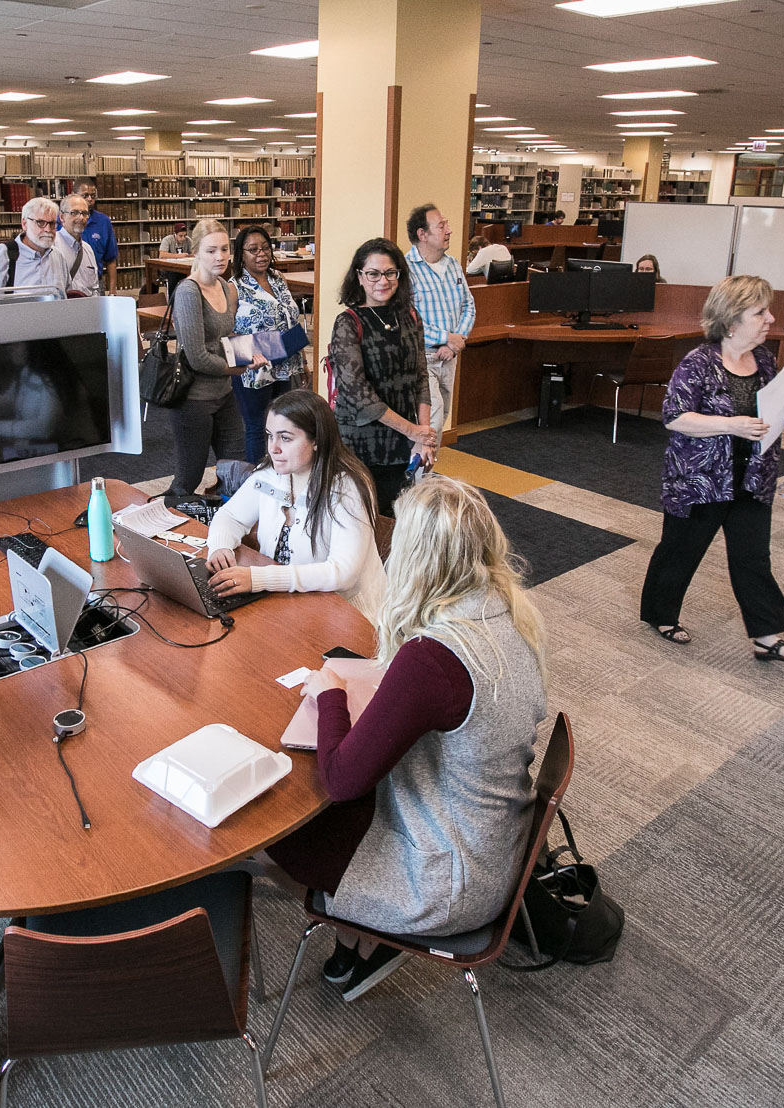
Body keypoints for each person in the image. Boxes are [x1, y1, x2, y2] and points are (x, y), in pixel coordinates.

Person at [265, 476, 548, 1000]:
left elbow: (342, 779)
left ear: (418, 556)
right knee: (343, 785)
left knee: (273, 828)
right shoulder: (508, 613)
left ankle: (366, 929)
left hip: (447, 881)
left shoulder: (433, 657)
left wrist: (330, 694)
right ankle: (359, 942)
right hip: (493, 844)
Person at [639, 274, 784, 662]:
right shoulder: (697, 363)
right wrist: (730, 425)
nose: (770, 319)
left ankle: (766, 637)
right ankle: (660, 615)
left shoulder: (764, 360)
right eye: (760, 312)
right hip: (700, 480)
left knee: (753, 557)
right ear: (732, 320)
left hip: (752, 478)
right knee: (680, 552)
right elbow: (674, 417)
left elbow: (768, 407)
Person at [205, 389, 386, 618]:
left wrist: (259, 578)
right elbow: (230, 516)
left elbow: (343, 573)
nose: (273, 448)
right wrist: (220, 546)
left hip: (348, 614)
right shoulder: (269, 474)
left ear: (316, 440)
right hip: (289, 603)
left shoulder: (346, 488)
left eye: (285, 438)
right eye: (270, 435)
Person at [331, 238, 435, 517]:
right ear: (359, 277)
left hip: (404, 441)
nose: (383, 281)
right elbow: (358, 394)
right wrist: (412, 431)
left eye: (390, 273)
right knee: (361, 519)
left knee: (399, 518)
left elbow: (421, 377)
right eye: (373, 273)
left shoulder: (411, 316)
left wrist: (423, 435)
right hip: (361, 443)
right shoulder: (348, 322)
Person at [169, 218, 266, 495]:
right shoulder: (188, 292)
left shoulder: (224, 286)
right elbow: (197, 356)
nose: (220, 257)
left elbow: (225, 336)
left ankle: (229, 518)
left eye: (224, 249)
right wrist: (237, 369)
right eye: (211, 251)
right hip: (194, 399)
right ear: (196, 252)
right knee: (189, 477)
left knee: (236, 470)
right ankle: (162, 515)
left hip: (224, 394)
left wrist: (249, 353)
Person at [228, 224, 305, 461]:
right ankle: (255, 476)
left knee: (283, 425)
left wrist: (303, 360)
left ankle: (279, 471)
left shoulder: (278, 278)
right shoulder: (234, 286)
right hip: (254, 368)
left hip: (286, 363)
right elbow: (227, 332)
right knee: (257, 427)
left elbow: (290, 319)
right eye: (253, 250)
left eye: (265, 248)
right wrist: (246, 359)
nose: (261, 254)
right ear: (241, 254)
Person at [405, 204, 476, 436]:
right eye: (441, 226)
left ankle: (424, 461)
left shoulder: (453, 265)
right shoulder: (406, 270)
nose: (449, 230)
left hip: (450, 357)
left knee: (441, 418)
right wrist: (446, 338)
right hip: (423, 357)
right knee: (431, 422)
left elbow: (469, 306)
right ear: (422, 234)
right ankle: (418, 462)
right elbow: (407, 319)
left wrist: (454, 342)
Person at [0, 196, 70, 294]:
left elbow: (67, 295)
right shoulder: (3, 254)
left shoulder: (58, 256)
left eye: (52, 224)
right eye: (40, 223)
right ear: (24, 224)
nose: (48, 229)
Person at [53, 193, 101, 297]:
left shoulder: (88, 250)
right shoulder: (52, 247)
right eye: (74, 213)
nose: (81, 218)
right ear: (62, 217)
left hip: (87, 306)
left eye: (84, 213)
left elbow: (95, 289)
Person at [76, 182, 119, 292]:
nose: (90, 199)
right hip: (69, 283)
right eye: (85, 195)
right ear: (74, 195)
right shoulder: (61, 221)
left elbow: (111, 260)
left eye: (93, 196)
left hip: (95, 283)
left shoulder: (103, 222)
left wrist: (112, 292)